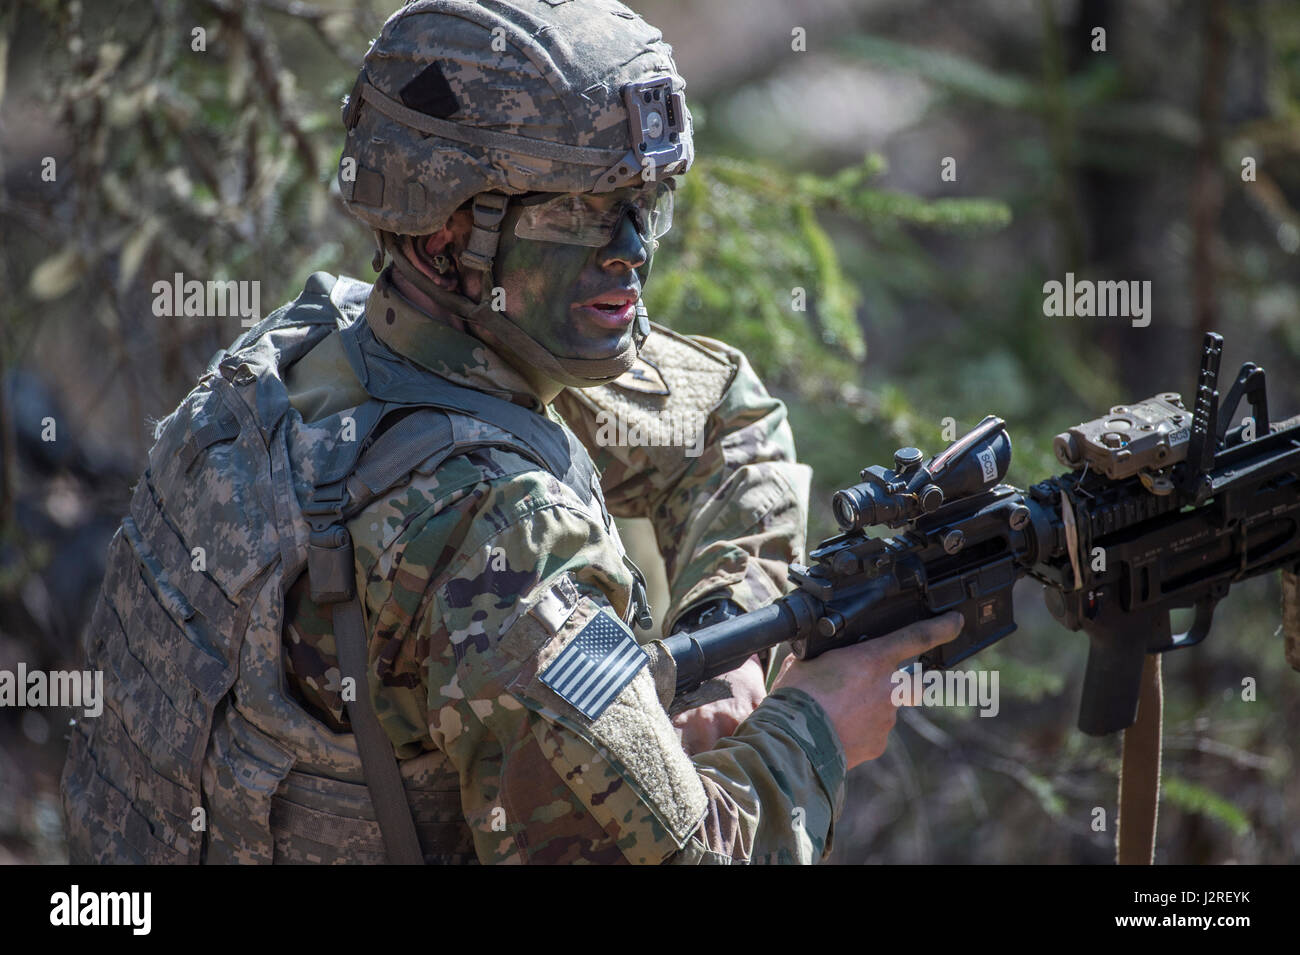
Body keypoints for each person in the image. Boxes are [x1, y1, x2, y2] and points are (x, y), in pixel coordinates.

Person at [62, 0, 961, 865]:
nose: (632, 250)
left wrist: (724, 645)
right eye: (579, 210)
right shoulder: (496, 546)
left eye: (645, 201)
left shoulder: (311, 352)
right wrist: (818, 725)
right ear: (444, 234)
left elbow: (722, 417)